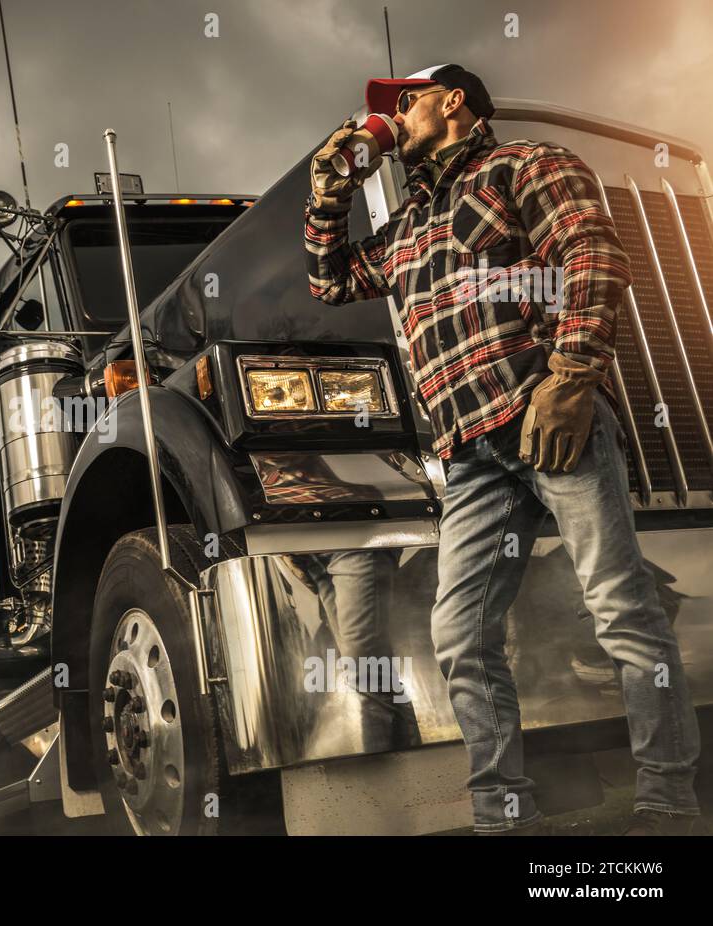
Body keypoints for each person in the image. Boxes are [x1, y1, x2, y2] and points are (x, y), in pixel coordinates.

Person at [302, 63, 702, 835]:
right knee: (461, 635)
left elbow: (592, 254)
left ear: (453, 102)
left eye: (404, 102)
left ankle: (669, 806)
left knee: (620, 609)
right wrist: (330, 194)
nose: (391, 118)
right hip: (469, 454)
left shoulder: (525, 165)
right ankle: (502, 816)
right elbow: (330, 281)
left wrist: (573, 376)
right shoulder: (409, 225)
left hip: (544, 414)